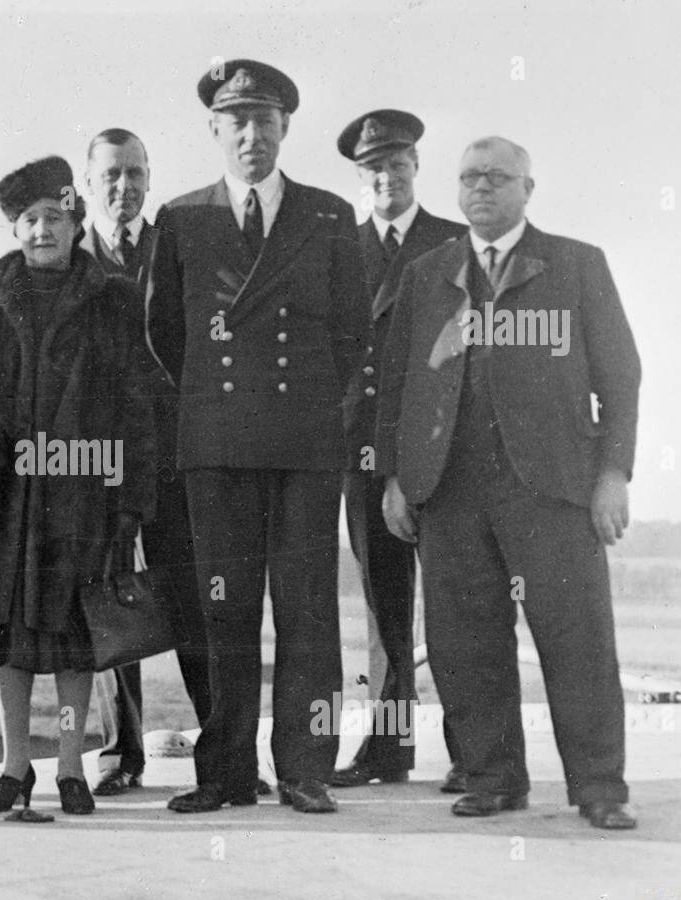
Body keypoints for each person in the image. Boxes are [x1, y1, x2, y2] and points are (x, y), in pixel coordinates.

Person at [376, 137, 641, 830]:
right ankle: (494, 777)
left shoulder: (577, 265)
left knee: (576, 638)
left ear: (529, 187)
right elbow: (399, 381)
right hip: (452, 486)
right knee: (465, 642)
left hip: (553, 488)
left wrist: (613, 473)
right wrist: (398, 477)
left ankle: (600, 787)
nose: (482, 188)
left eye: (498, 177)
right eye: (469, 177)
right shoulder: (426, 274)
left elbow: (621, 376)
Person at [150, 60, 370, 814]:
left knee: (307, 608)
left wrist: (313, 402)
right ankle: (225, 773)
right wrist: (211, 405)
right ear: (215, 130)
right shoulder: (181, 219)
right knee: (224, 609)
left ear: (285, 129)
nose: (252, 136)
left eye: (265, 122)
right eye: (236, 122)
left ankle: (306, 767)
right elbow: (164, 333)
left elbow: (352, 329)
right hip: (216, 445)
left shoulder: (330, 215)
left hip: (306, 443)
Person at [0, 156, 157, 816]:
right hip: (3, 498)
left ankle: (69, 769)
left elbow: (136, 404)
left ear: (74, 222)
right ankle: (13, 766)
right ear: (14, 228)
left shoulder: (111, 297)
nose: (40, 231)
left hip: (83, 495)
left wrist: (131, 501)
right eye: (27, 220)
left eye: (53, 218)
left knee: (73, 635)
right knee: (10, 633)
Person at [331, 109, 467, 792]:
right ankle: (389, 749)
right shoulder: (342, 249)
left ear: (417, 167)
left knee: (452, 598)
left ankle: (472, 750)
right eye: (373, 168)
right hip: (362, 449)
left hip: (441, 450)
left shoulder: (456, 242)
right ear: (360, 178)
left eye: (397, 164)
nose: (386, 177)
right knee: (385, 605)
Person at [79, 127, 212, 798]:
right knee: (110, 598)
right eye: (111, 175)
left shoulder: (177, 245)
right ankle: (119, 751)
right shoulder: (68, 257)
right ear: (89, 181)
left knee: (193, 595)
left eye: (135, 173)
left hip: (174, 458)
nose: (124, 187)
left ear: (150, 178)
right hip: (101, 462)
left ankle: (219, 745)